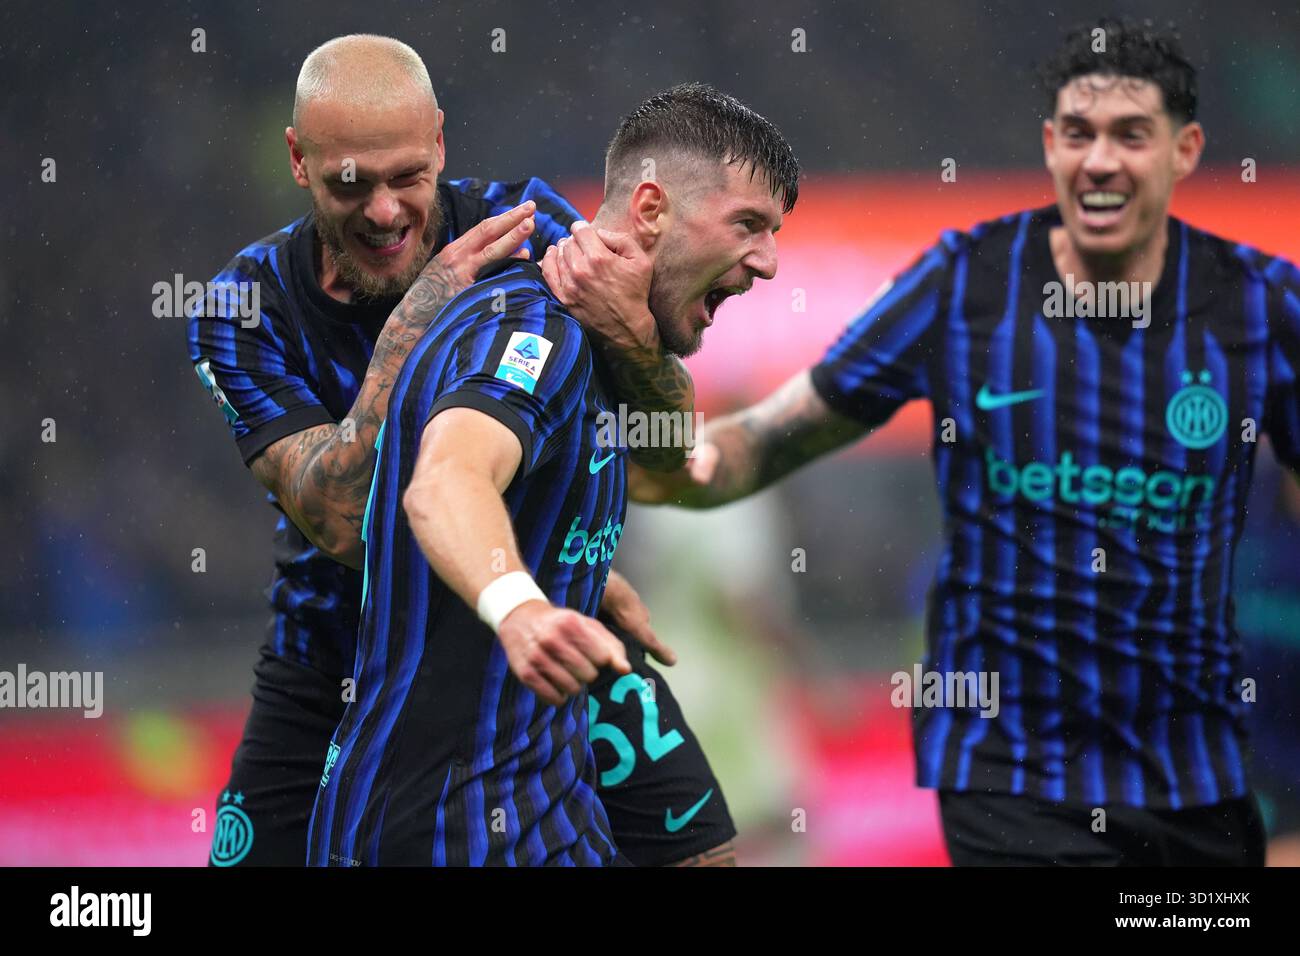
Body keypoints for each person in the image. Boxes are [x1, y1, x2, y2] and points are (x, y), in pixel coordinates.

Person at [614, 19, 1300, 865]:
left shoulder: (1262, 306)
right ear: (1050, 145)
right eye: (1078, 134)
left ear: (1186, 148)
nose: (1100, 160)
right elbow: (765, 440)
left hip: (1196, 774)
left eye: (1132, 135)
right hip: (1010, 776)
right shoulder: (964, 284)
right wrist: (642, 429)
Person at [187, 35, 731, 866]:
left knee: (704, 857)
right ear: (298, 160)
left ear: (440, 142)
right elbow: (337, 521)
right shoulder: (243, 306)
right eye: (349, 183)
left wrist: (636, 352)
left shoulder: (527, 225)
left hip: (532, 630)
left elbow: (666, 454)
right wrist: (419, 316)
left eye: (407, 175)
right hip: (336, 662)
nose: (383, 211)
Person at [306, 82, 799, 865]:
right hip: (444, 812)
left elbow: (666, 452)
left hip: (548, 762)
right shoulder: (537, 328)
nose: (769, 263)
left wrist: (580, 569)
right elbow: (446, 482)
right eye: (749, 225)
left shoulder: (614, 332)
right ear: (649, 210)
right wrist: (519, 606)